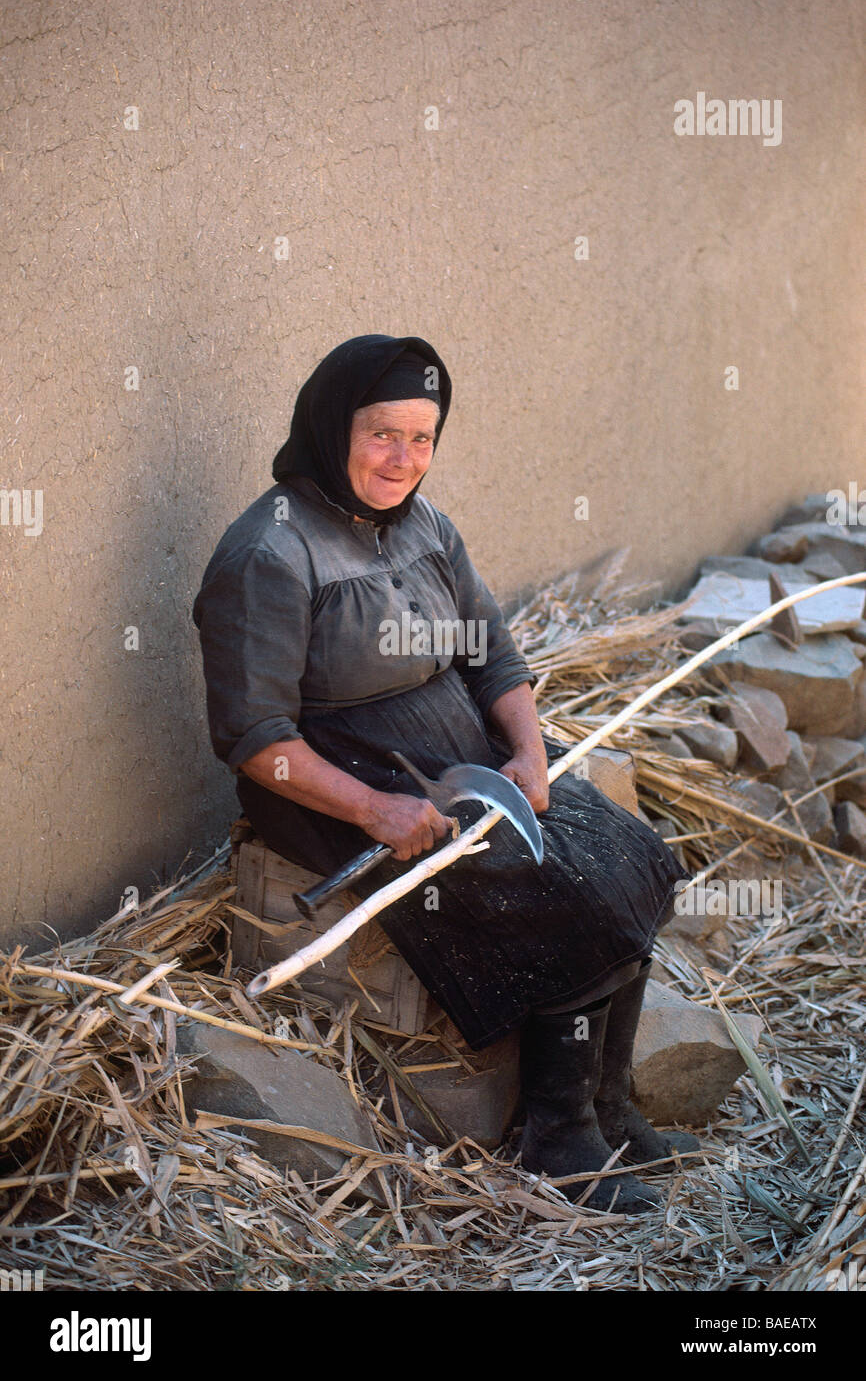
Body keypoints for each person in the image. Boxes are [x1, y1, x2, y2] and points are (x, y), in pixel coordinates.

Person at [192, 333, 699, 1212]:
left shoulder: (423, 523)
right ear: (331, 426)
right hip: (336, 786)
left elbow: (493, 656)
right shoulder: (268, 555)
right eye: (383, 433)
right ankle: (560, 1139)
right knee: (555, 897)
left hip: (456, 762)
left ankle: (609, 1106)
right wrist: (374, 809)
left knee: (627, 858)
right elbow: (254, 737)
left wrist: (529, 755)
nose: (404, 459)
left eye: (422, 439)